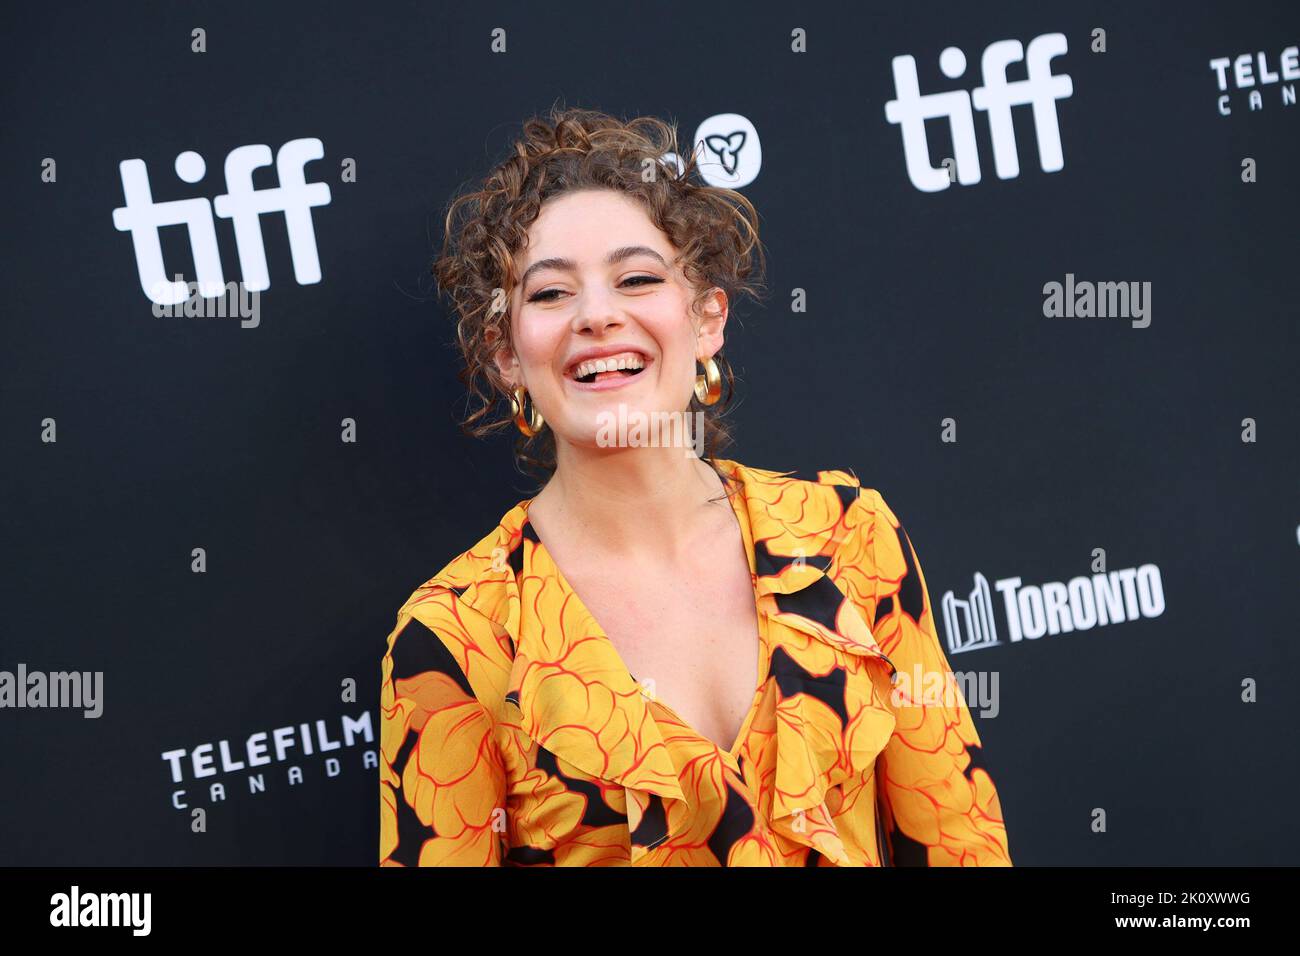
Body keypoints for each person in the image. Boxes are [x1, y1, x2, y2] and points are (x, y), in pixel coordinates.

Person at [379, 105, 1011, 866]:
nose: (598, 315)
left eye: (636, 278)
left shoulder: (849, 534)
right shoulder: (455, 635)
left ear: (707, 317)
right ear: (506, 354)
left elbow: (961, 843)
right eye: (549, 294)